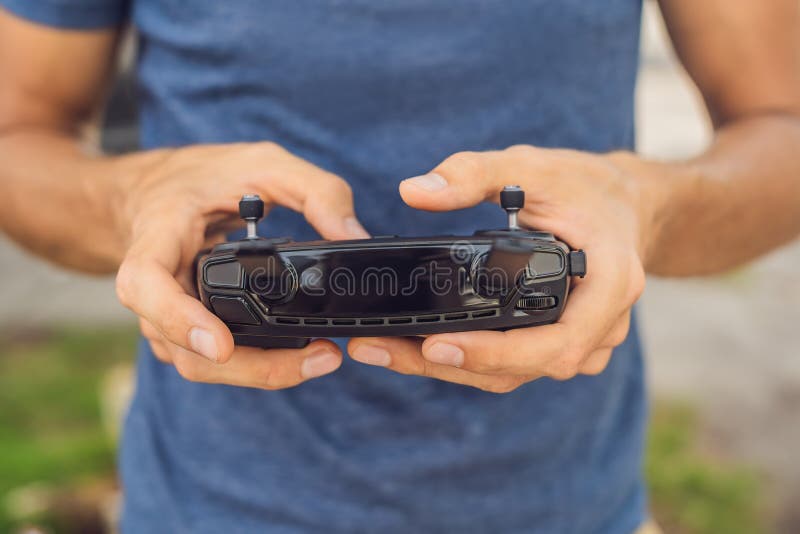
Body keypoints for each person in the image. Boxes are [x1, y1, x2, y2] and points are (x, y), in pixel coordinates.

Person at [1, 1, 798, 532]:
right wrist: (134, 196)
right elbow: (15, 133)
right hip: (205, 505)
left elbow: (783, 123)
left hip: (571, 505)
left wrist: (646, 203)